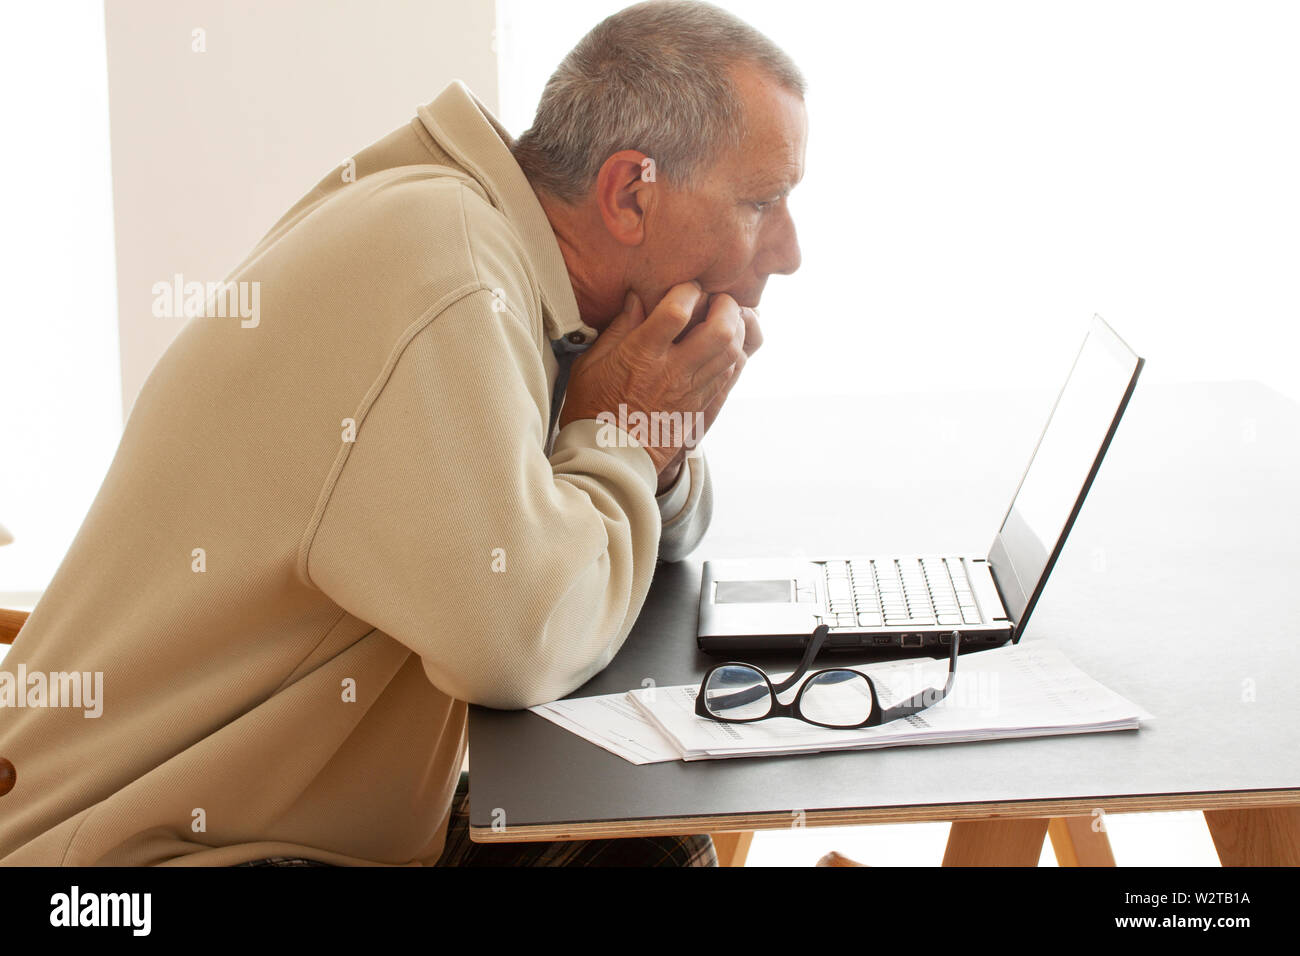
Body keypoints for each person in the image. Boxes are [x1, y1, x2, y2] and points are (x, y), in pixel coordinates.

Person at [0, 0, 804, 866]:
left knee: (640, 841)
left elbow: (649, 541)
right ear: (629, 194)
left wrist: (651, 432)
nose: (789, 250)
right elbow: (520, 639)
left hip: (308, 837)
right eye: (762, 204)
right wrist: (627, 436)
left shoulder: (522, 270)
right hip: (127, 863)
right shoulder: (446, 268)